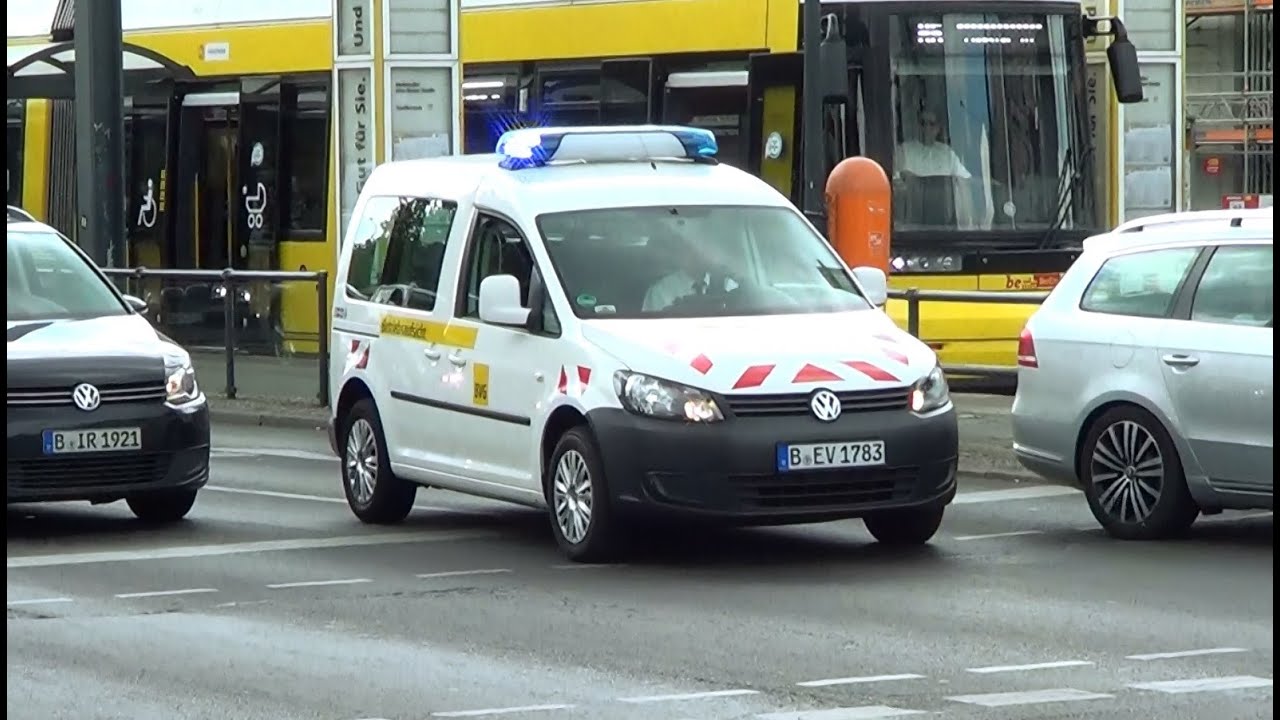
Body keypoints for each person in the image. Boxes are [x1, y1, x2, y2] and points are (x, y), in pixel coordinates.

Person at [641, 230, 741, 312]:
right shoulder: (660, 291)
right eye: (689, 247)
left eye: (700, 247)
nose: (696, 253)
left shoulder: (728, 284)